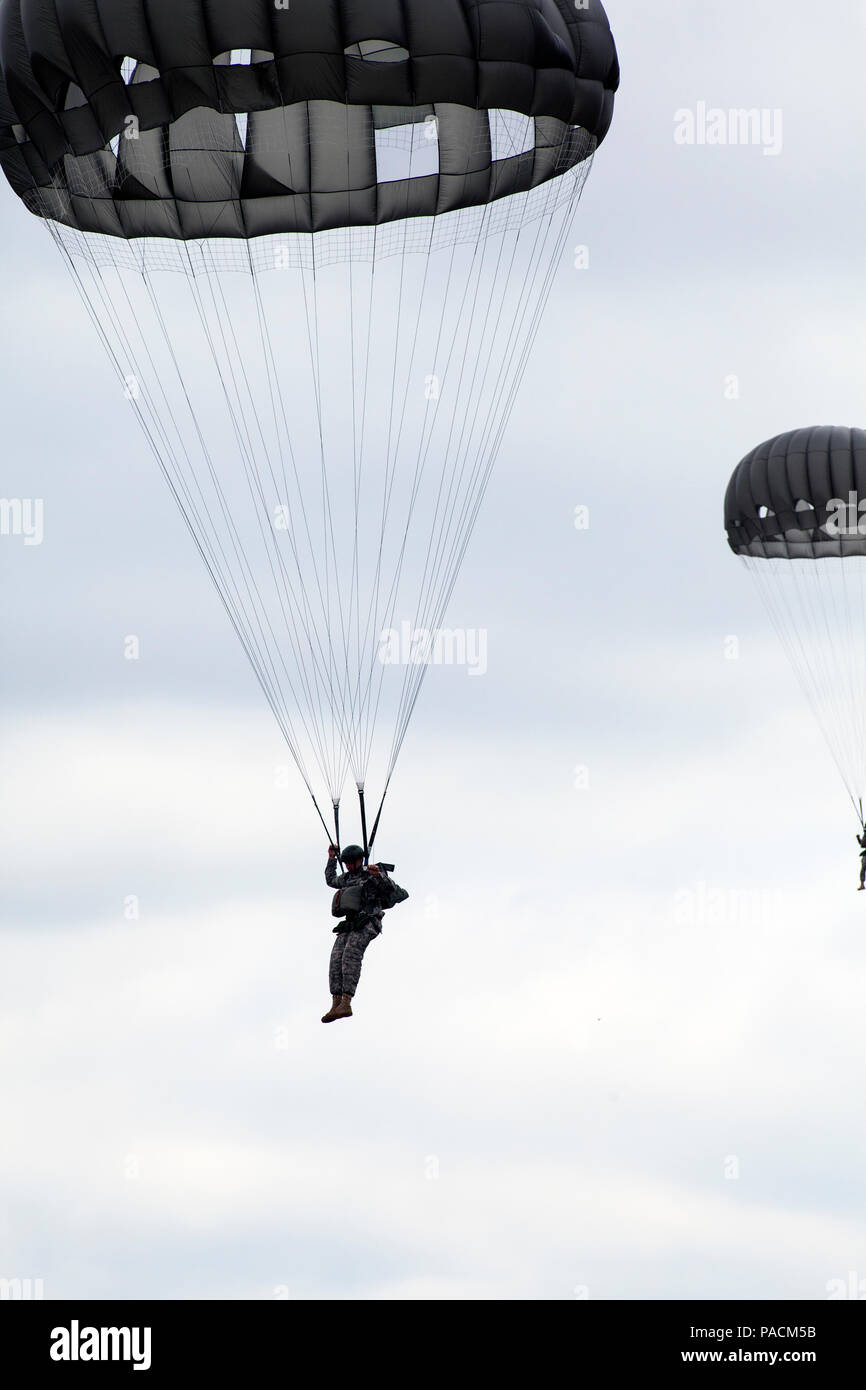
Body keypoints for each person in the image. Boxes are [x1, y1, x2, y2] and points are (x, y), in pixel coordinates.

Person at [322, 844, 408, 1022]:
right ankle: (336, 1003)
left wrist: (379, 876)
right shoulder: (347, 878)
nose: (349, 866)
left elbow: (395, 891)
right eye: (346, 864)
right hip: (351, 924)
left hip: (368, 921)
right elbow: (331, 880)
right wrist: (332, 858)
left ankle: (347, 1002)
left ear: (360, 860)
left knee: (350, 955)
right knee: (336, 958)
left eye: (352, 863)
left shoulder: (371, 875)